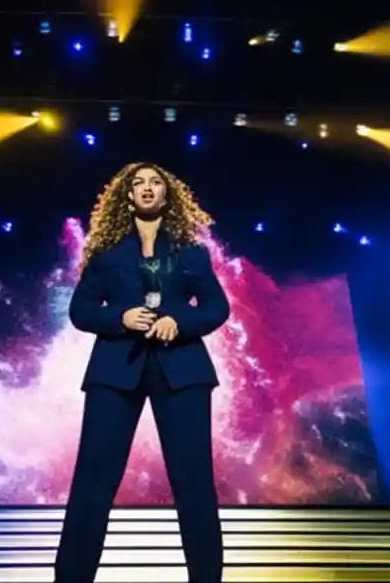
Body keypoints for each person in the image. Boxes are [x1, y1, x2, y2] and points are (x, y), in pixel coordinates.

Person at [55, 162, 231, 583]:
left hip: (183, 371)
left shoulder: (191, 253)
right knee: (92, 484)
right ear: (127, 196)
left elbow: (216, 307)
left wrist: (180, 322)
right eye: (139, 183)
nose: (148, 188)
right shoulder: (106, 255)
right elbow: (79, 310)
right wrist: (121, 317)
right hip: (116, 370)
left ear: (168, 194)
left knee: (195, 487)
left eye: (156, 183)